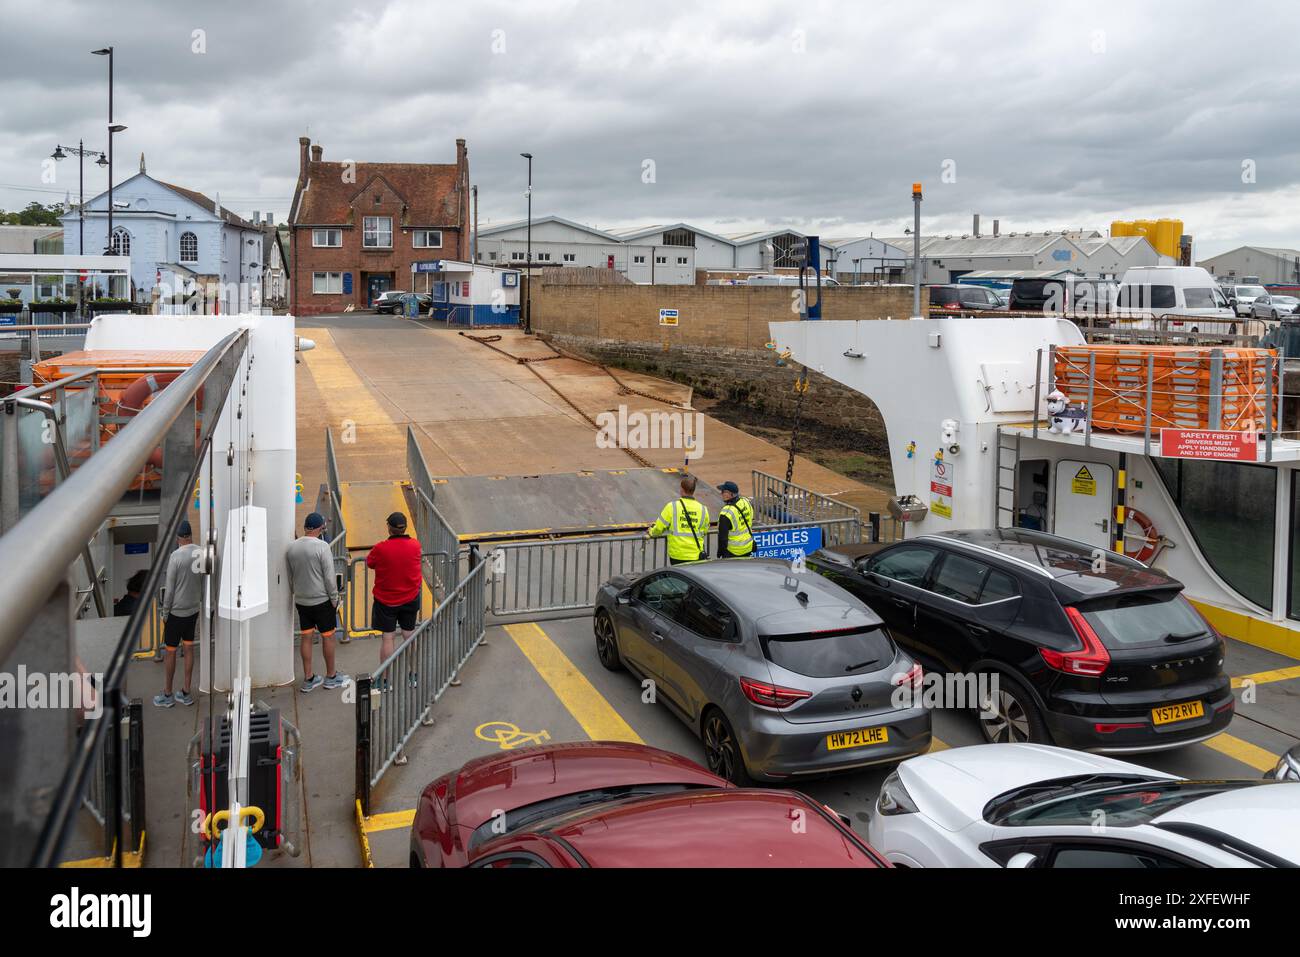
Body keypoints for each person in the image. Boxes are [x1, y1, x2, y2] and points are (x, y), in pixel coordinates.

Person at [286, 512, 350, 693]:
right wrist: (335, 598)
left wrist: (295, 593)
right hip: (321, 600)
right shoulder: (322, 547)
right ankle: (331, 676)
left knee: (306, 637)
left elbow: (290, 576)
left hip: (302, 600)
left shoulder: (292, 548)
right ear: (321, 528)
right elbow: (329, 577)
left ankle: (309, 678)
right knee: (327, 637)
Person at [365, 512, 422, 680]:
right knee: (409, 634)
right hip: (410, 598)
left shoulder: (381, 548)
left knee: (388, 638)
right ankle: (414, 673)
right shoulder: (415, 545)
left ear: (389, 528)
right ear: (405, 528)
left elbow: (370, 563)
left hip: (386, 601)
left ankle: (385, 679)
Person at [154, 521, 202, 708]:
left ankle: (167, 694)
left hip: (176, 612)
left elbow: (170, 589)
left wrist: (165, 613)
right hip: (193, 610)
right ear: (190, 535)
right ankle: (186, 692)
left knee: (171, 652)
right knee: (189, 649)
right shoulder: (200, 552)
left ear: (178, 538)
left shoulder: (176, 556)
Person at [648, 473, 710, 564]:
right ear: (693, 491)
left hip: (678, 554)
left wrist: (651, 532)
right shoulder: (703, 509)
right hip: (695, 553)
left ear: (682, 489)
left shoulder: (672, 507)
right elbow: (704, 530)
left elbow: (659, 528)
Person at [716, 481, 755, 558]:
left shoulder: (727, 512)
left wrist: (720, 552)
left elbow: (723, 538)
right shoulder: (746, 502)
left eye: (723, 491)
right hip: (748, 547)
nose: (721, 493)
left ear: (729, 494)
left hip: (733, 551)